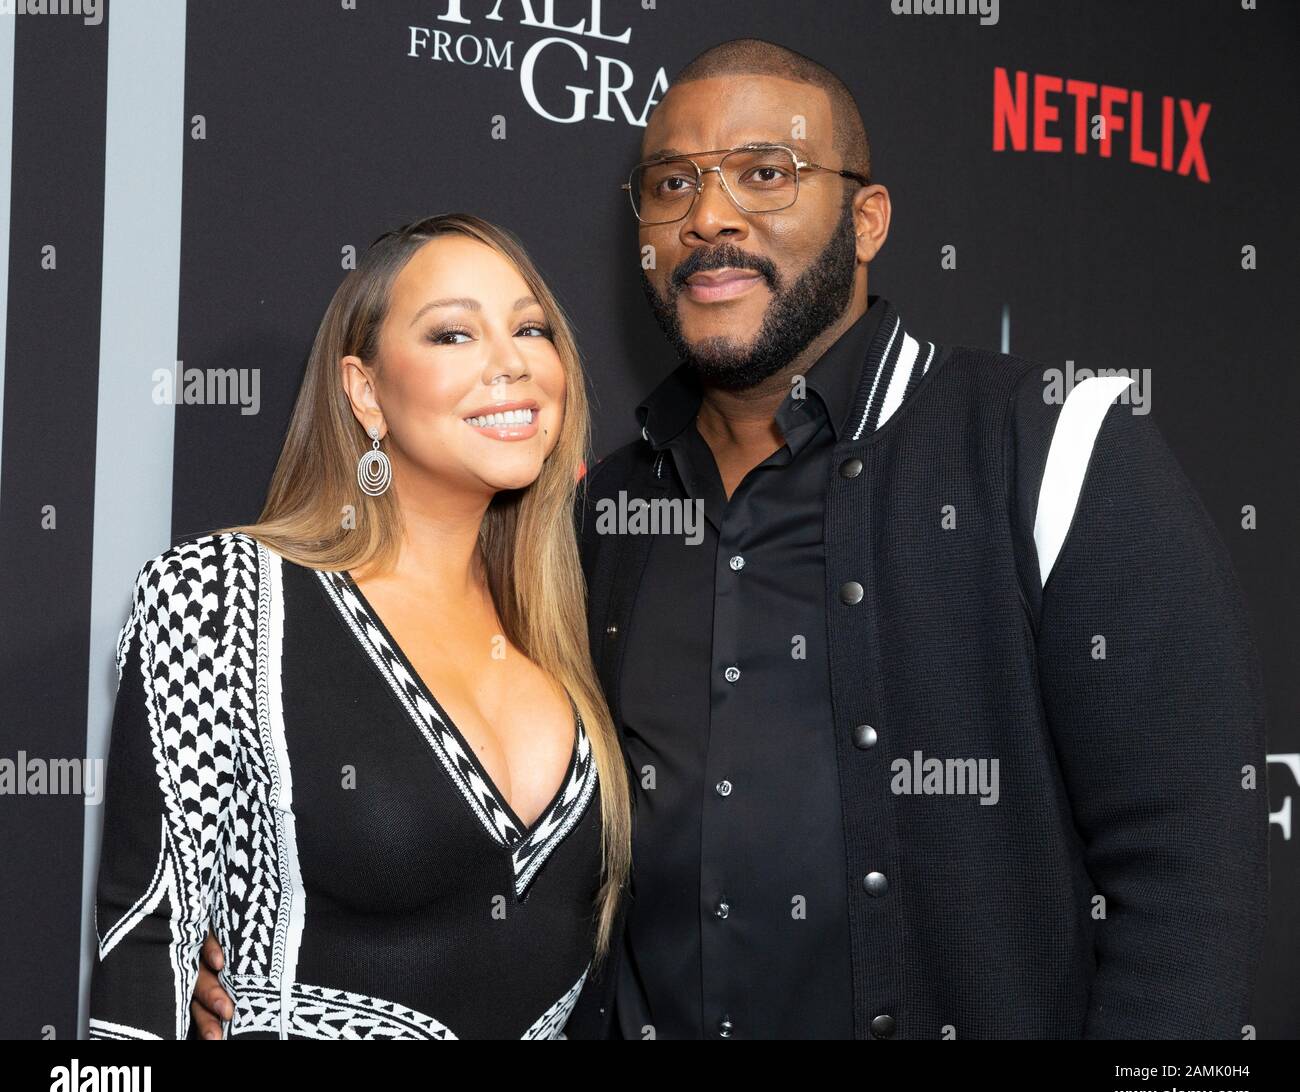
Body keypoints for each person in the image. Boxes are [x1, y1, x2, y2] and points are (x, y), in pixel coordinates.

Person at [194, 37, 1270, 1041]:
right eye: (672, 184)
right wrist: (299, 988)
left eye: (767, 173)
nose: (709, 216)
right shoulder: (585, 520)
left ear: (868, 219)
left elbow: (1191, 875)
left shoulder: (1047, 442)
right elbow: (498, 865)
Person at [88, 213, 631, 1040]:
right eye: (454, 333)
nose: (513, 361)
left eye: (532, 328)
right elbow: (141, 963)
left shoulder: (575, 623)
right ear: (365, 391)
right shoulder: (225, 597)